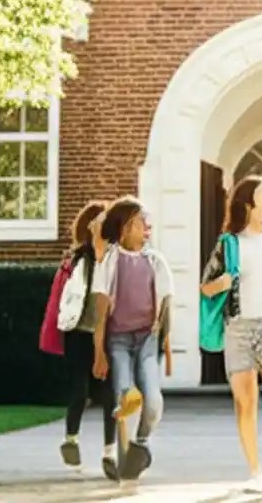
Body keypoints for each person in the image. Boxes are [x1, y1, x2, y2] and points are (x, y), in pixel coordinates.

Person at [200, 175, 262, 499]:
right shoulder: (228, 243)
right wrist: (224, 282)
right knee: (245, 403)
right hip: (239, 328)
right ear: (248, 202)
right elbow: (205, 286)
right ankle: (255, 471)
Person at [90, 196, 174, 481]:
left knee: (152, 402)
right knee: (124, 397)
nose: (147, 226)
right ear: (126, 227)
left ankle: (141, 443)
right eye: (141, 221)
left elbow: (165, 308)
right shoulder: (109, 262)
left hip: (147, 339)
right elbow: (100, 314)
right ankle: (123, 456)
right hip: (119, 341)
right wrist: (99, 352)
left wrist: (167, 345)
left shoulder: (155, 261)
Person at [59, 200, 119, 479]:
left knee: (109, 396)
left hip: (106, 336)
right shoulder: (79, 259)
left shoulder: (115, 257)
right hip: (78, 334)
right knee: (79, 392)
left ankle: (110, 452)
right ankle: (71, 440)